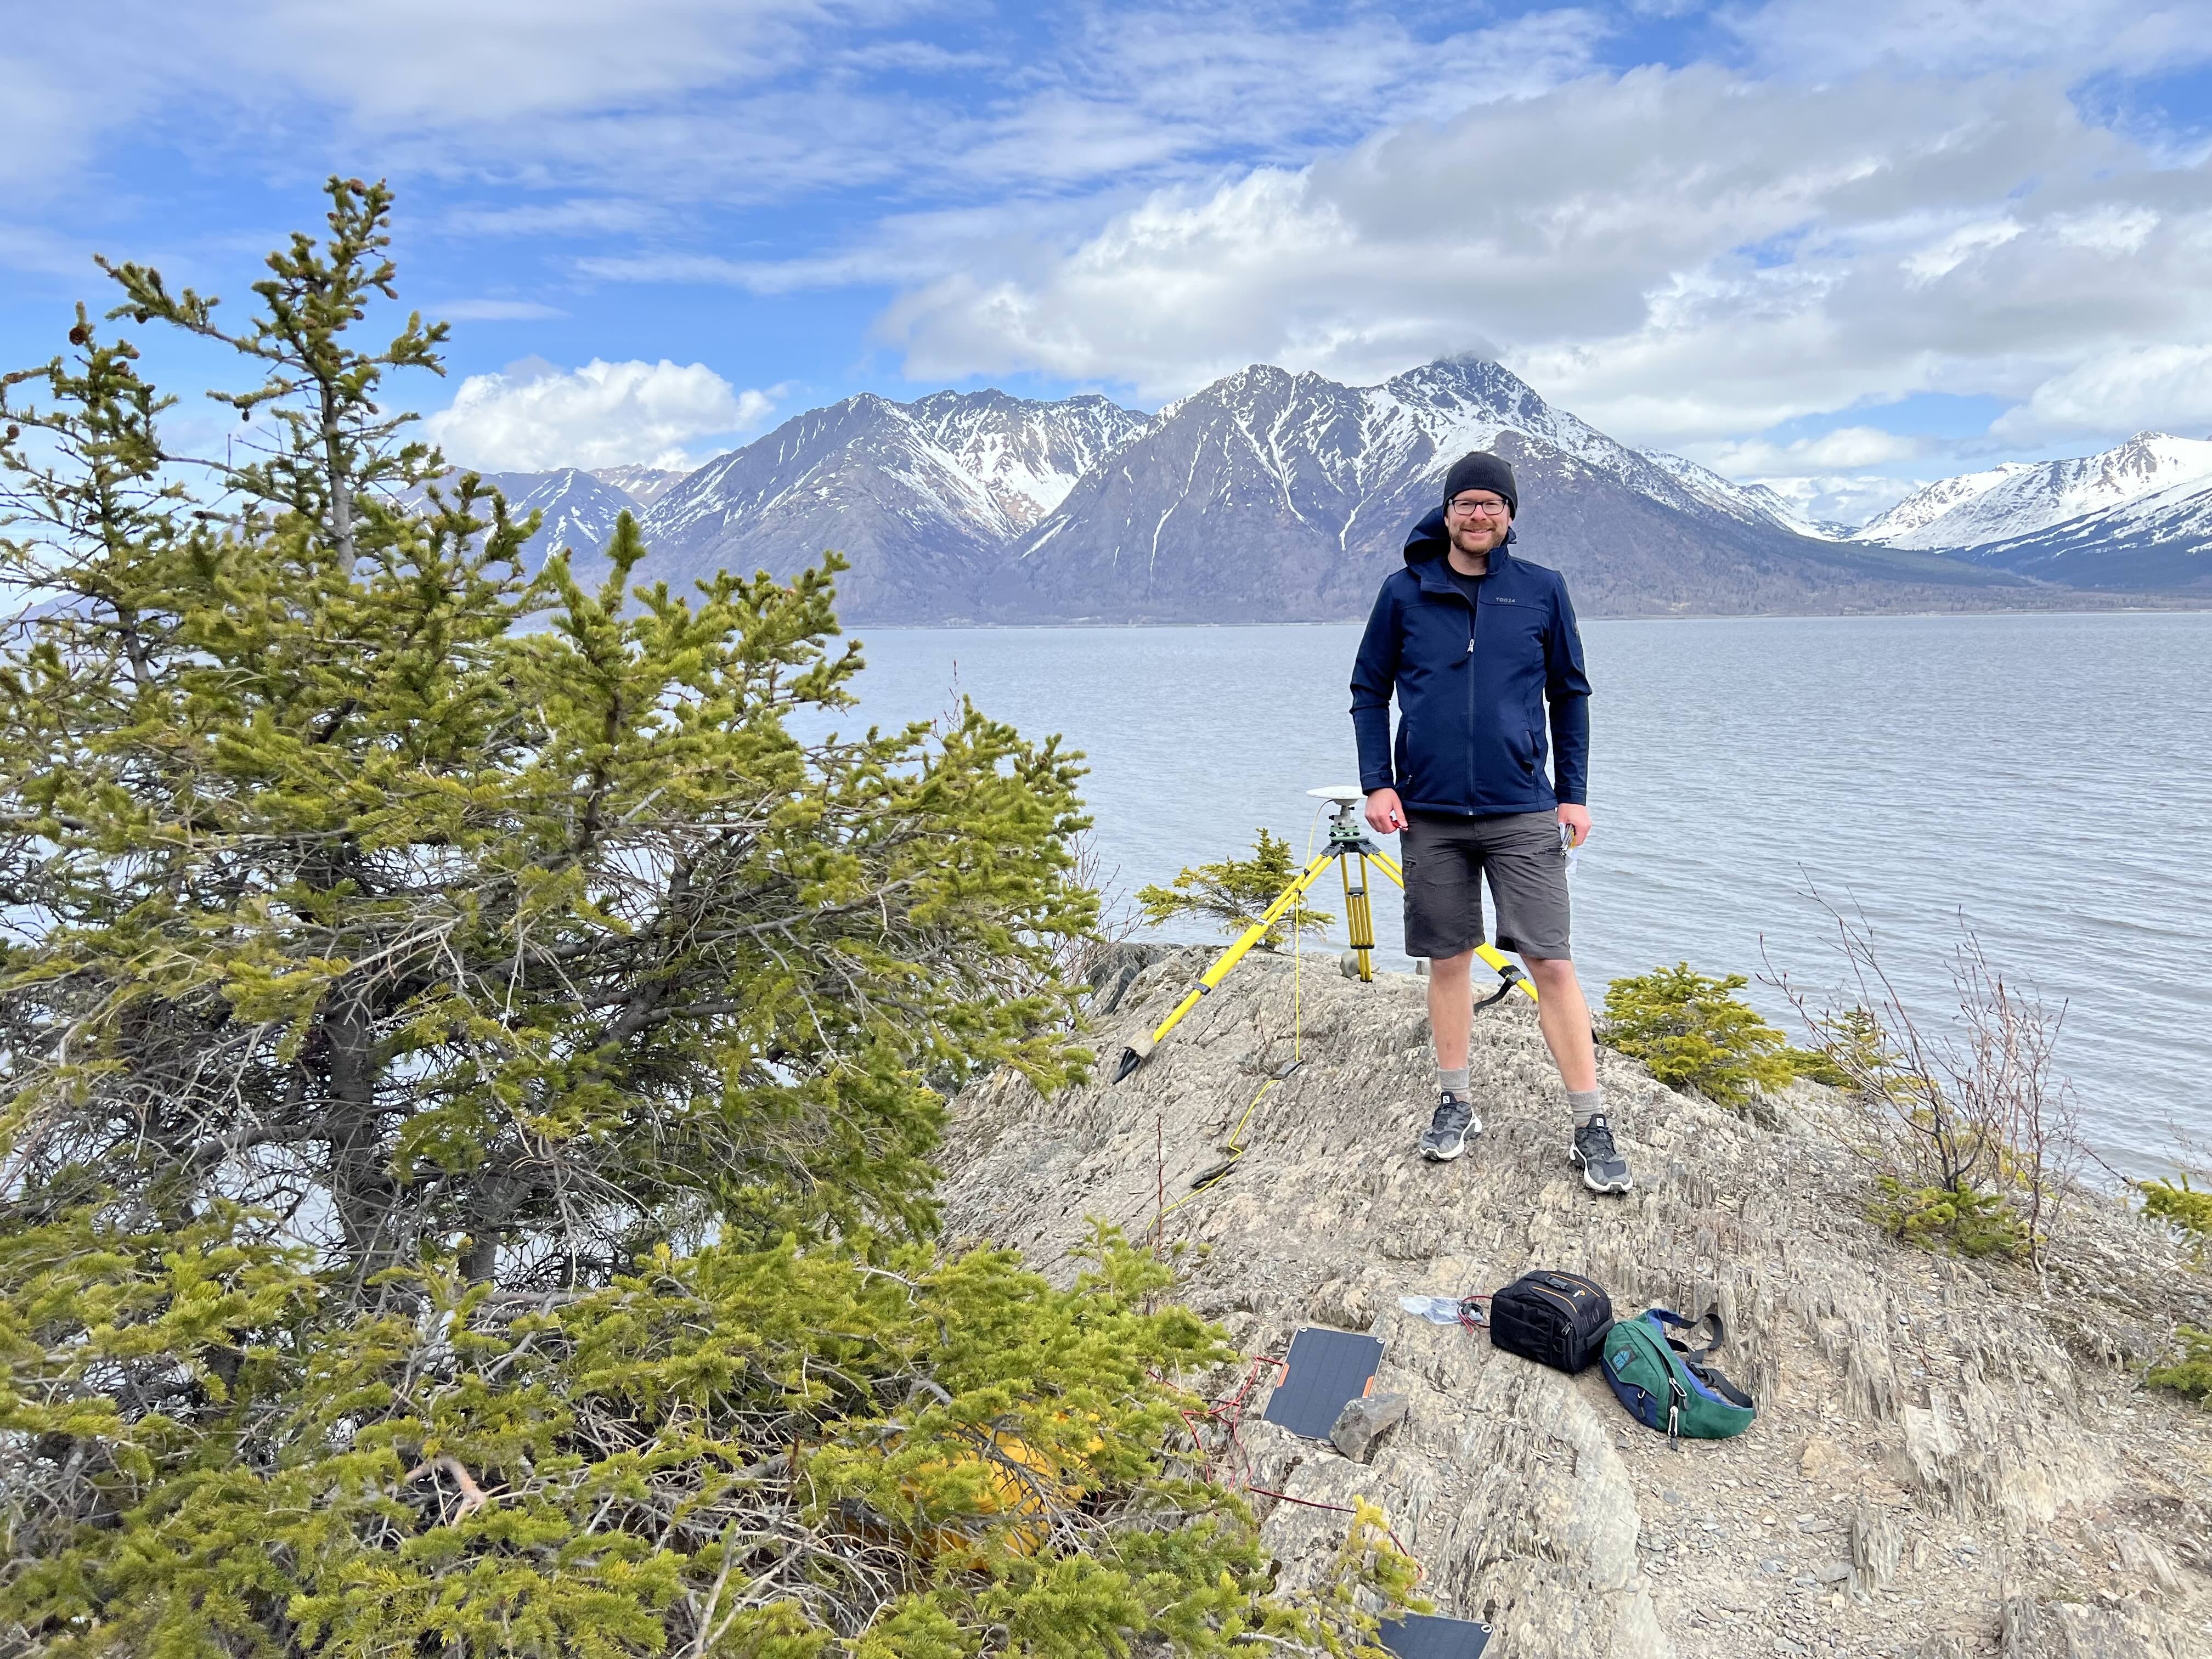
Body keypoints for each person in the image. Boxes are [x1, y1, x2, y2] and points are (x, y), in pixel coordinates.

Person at [1348, 450, 1632, 1194]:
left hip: (1523, 810)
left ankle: (1590, 1122)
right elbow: (1368, 690)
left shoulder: (1541, 591)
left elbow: (1570, 694)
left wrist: (1573, 792)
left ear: (1509, 517)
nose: (1480, 515)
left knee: (1553, 964)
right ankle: (1456, 1102)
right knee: (1448, 960)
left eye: (1492, 505)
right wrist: (1378, 783)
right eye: (1467, 504)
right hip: (1431, 814)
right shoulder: (1404, 594)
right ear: (1447, 514)